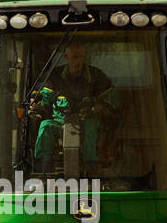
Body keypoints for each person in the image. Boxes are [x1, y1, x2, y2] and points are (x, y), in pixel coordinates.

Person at [48, 40, 119, 169]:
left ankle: (91, 168)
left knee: (90, 128)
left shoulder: (97, 76)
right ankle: (43, 166)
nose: (79, 61)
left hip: (89, 120)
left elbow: (112, 104)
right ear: (66, 57)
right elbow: (44, 97)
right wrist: (36, 105)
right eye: (75, 57)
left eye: (81, 57)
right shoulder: (55, 76)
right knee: (45, 126)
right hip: (60, 122)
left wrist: (98, 109)